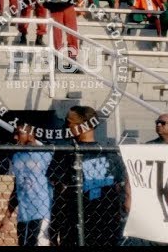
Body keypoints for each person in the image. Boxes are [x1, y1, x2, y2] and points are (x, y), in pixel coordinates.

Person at [48, 106, 128, 247]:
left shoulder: (66, 153)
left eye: (69, 122)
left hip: (91, 221)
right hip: (90, 221)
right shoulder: (110, 153)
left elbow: (59, 194)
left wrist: (54, 228)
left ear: (83, 125)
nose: (66, 126)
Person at [1, 123, 52, 247]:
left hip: (41, 211)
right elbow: (16, 188)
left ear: (30, 135)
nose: (15, 138)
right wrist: (7, 215)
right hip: (23, 215)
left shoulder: (45, 154)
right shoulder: (17, 157)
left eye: (19, 134)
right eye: (15, 134)